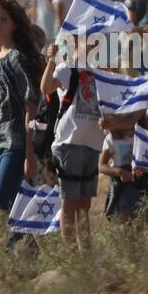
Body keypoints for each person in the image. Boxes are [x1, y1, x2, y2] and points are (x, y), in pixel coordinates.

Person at [0, 0, 40, 246]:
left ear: (13, 25)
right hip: (0, 145)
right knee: (8, 208)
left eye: (3, 19)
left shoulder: (17, 59)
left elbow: (30, 107)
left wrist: (29, 154)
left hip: (17, 145)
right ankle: (15, 258)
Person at [38, 38, 103, 253]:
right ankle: (71, 251)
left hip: (92, 145)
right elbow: (46, 87)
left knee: (85, 204)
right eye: (89, 41)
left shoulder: (98, 72)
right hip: (69, 144)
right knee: (70, 202)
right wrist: (51, 62)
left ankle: (85, 248)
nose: (94, 45)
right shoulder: (67, 70)